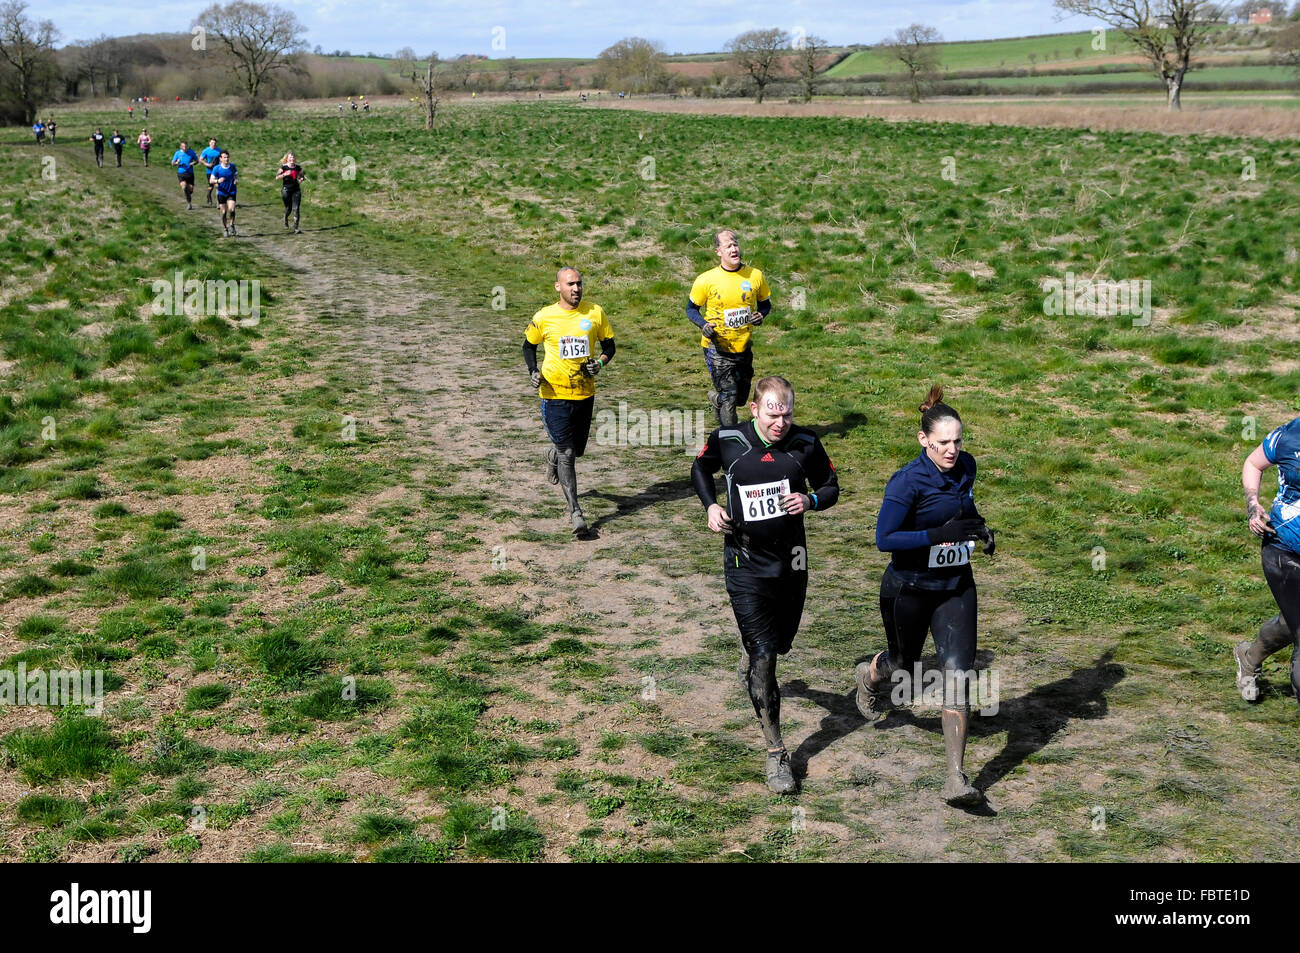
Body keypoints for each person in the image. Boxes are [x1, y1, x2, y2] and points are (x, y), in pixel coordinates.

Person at [692, 376, 839, 794]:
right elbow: (700, 467)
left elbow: (831, 487)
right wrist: (711, 506)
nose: (781, 421)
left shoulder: (806, 444)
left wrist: (810, 500)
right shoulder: (728, 438)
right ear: (754, 409)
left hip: (792, 560)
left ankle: (754, 647)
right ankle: (776, 753)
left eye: (788, 412)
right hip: (745, 559)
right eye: (773, 413)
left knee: (783, 641)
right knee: (765, 655)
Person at [853, 386, 996, 808]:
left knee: (958, 676)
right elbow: (885, 538)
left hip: (955, 586)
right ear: (924, 441)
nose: (952, 450)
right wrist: (937, 536)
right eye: (943, 443)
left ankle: (955, 777)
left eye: (957, 442)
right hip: (909, 588)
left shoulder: (966, 466)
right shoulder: (906, 482)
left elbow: (965, 506)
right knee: (906, 669)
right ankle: (869, 675)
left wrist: (980, 530)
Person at [522, 268, 615, 538]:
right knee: (569, 454)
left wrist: (599, 363)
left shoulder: (594, 312)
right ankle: (576, 511)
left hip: (585, 393)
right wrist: (532, 372)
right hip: (554, 394)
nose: (576, 289)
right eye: (570, 284)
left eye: (579, 284)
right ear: (557, 287)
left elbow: (610, 346)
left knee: (577, 451)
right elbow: (529, 346)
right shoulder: (544, 317)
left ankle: (552, 455)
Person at [1236, 420, 1300, 705]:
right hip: (1283, 550)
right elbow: (1253, 463)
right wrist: (1253, 505)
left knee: (1293, 620)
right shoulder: (1289, 436)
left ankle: (1249, 657)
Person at [687, 229, 772, 428]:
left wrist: (761, 315)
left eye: (735, 245)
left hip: (743, 346)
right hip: (716, 347)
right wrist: (704, 325)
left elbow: (765, 304)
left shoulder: (755, 275)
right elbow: (691, 309)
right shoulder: (706, 279)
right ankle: (730, 441)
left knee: (741, 398)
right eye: (728, 246)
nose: (734, 249)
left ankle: (717, 399)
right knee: (731, 399)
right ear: (719, 252)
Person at [209, 150, 239, 236]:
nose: (226, 159)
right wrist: (218, 180)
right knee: (223, 213)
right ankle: (225, 229)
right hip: (221, 193)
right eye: (224, 157)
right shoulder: (217, 168)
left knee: (232, 209)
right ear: (220, 159)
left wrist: (236, 180)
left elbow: (236, 175)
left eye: (227, 157)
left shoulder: (232, 166)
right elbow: (211, 180)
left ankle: (232, 225)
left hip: (231, 191)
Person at [275, 151, 306, 232]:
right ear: (287, 159)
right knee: (289, 208)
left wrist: (302, 178)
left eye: (293, 157)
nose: (292, 159)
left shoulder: (298, 167)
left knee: (296, 208)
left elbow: (302, 175)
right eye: (290, 158)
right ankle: (285, 218)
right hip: (286, 190)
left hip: (296, 190)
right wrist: (284, 174)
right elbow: (277, 177)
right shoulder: (283, 167)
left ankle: (296, 228)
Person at [171, 140, 200, 209]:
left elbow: (197, 161)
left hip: (190, 174)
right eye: (183, 146)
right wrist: (176, 163)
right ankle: (189, 203)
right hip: (181, 173)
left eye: (186, 146)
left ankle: (188, 194)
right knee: (184, 187)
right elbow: (172, 163)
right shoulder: (177, 153)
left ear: (187, 146)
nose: (184, 148)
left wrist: (192, 163)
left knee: (190, 190)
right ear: (180, 147)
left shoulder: (191, 152)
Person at [198, 139, 222, 205]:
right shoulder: (206, 150)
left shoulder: (219, 150)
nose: (213, 144)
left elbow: (222, 159)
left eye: (214, 143)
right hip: (209, 171)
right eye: (212, 142)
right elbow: (200, 159)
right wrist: (207, 164)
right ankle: (208, 195)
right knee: (211, 186)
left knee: (217, 185)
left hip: (217, 171)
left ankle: (218, 202)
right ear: (209, 143)